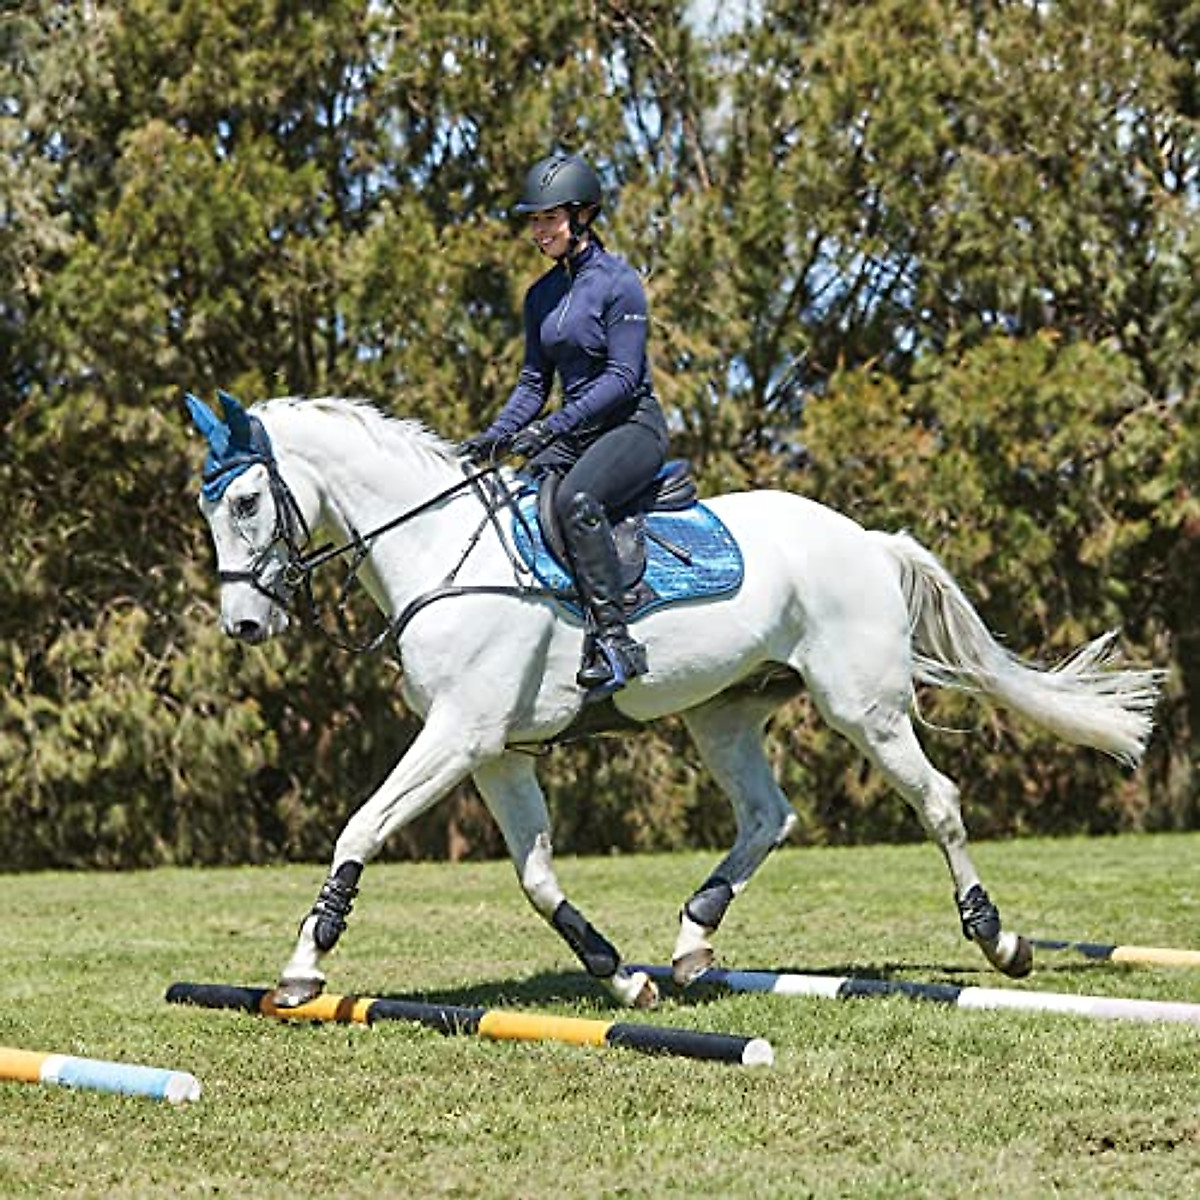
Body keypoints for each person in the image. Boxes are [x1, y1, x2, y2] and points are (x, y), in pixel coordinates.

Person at [461, 152, 670, 696]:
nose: (539, 230)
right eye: (533, 221)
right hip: (576, 433)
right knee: (515, 503)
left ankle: (616, 641)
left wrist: (553, 427)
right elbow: (534, 383)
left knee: (577, 501)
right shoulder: (541, 296)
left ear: (580, 216)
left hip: (631, 427)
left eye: (548, 218)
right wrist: (495, 437)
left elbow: (623, 378)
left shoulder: (619, 284)